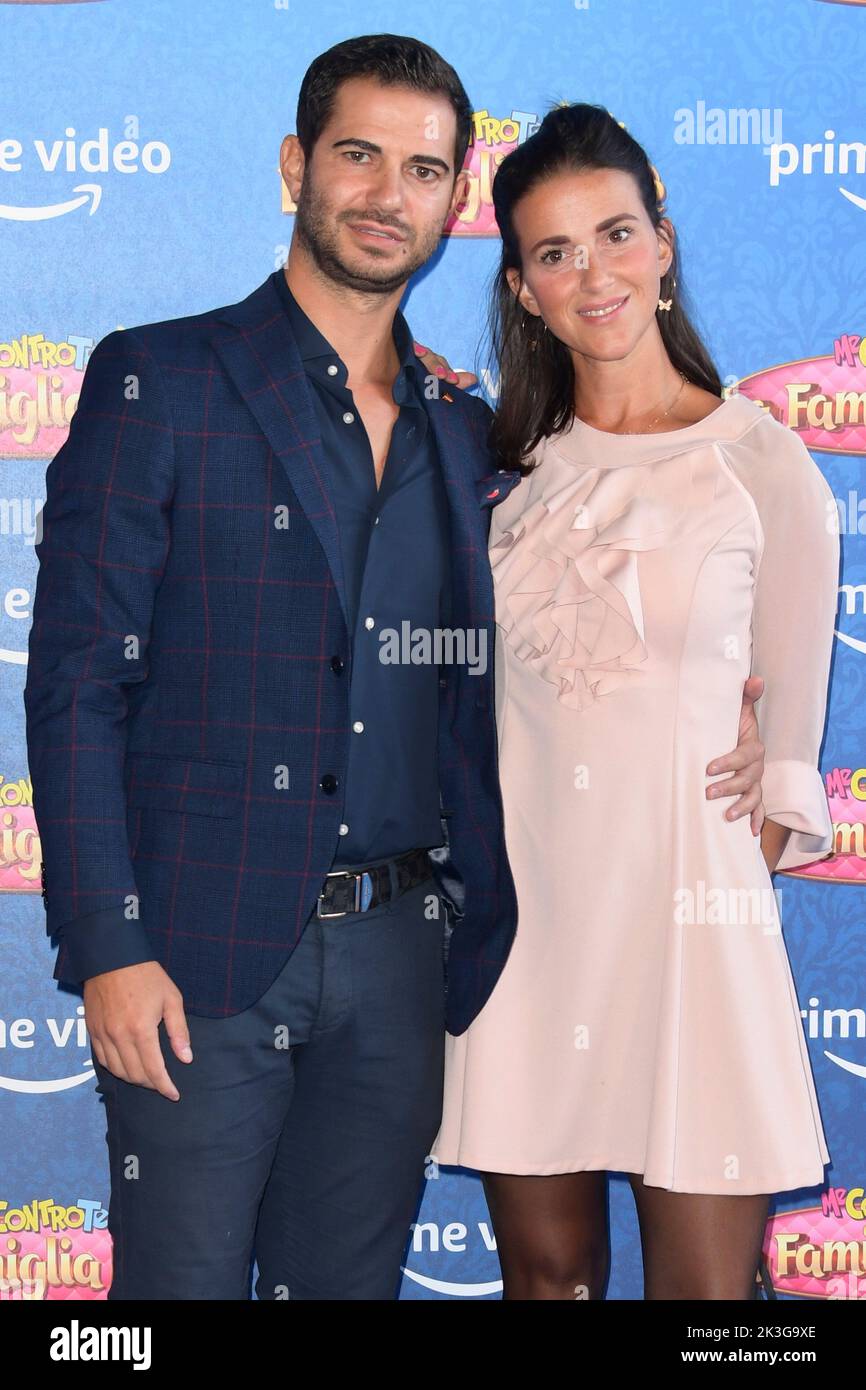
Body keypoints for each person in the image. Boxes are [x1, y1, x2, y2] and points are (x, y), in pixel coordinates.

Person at [24, 42, 765, 1301]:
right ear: (293, 165)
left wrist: (734, 715)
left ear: (452, 201)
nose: (386, 193)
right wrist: (107, 942)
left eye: (423, 168)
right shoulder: (164, 380)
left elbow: (527, 669)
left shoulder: (469, 434)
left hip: (400, 974)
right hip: (193, 967)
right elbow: (78, 684)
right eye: (357, 154)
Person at [429, 102, 839, 1301]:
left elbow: (785, 763)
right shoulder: (494, 464)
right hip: (524, 925)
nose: (589, 274)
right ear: (521, 287)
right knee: (544, 1282)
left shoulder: (764, 465)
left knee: (709, 1309)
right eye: (553, 253)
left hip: (685, 931)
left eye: (613, 235)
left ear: (660, 243)